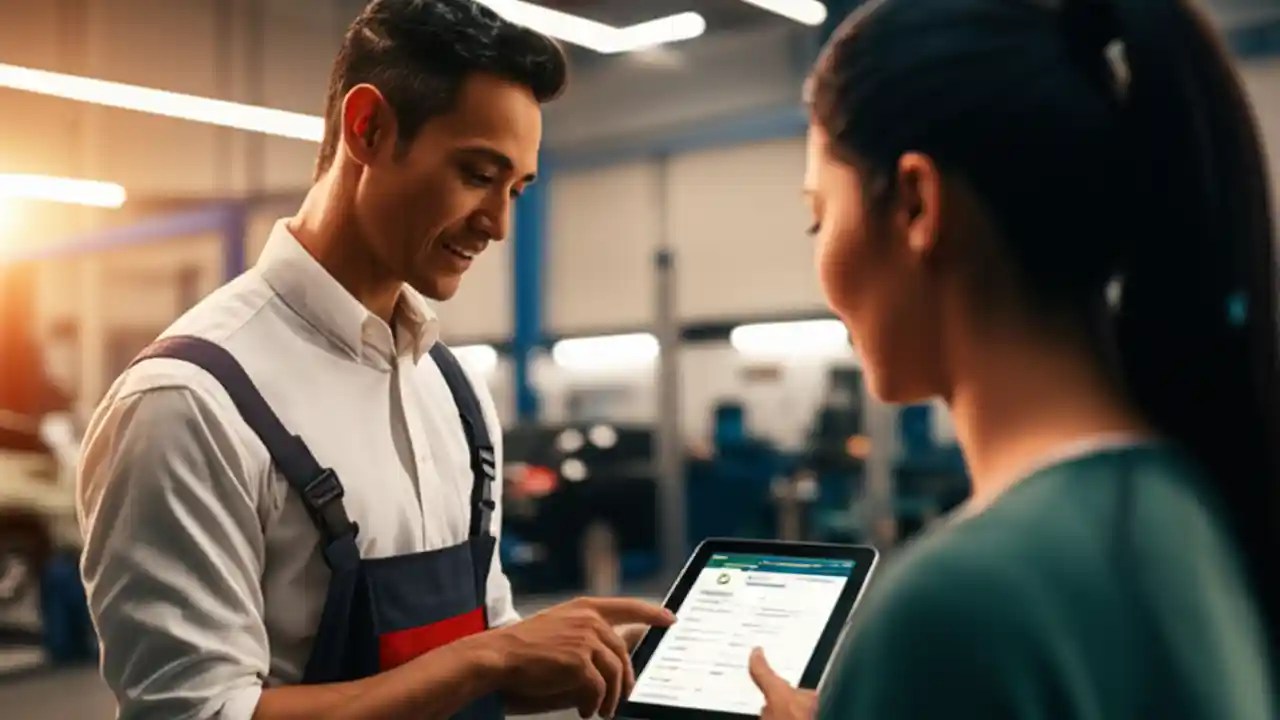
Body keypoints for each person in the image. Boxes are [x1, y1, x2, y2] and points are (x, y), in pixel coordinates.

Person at [76, 2, 672, 719]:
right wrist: (488, 656)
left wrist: (583, 657)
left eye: (515, 189)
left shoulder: (453, 391)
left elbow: (471, 648)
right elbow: (197, 713)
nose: (499, 224)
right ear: (368, 128)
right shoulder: (187, 403)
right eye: (478, 173)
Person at [747, 0, 1277, 717]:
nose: (818, 257)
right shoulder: (1190, 508)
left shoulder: (954, 608)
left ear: (915, 206)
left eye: (819, 215)